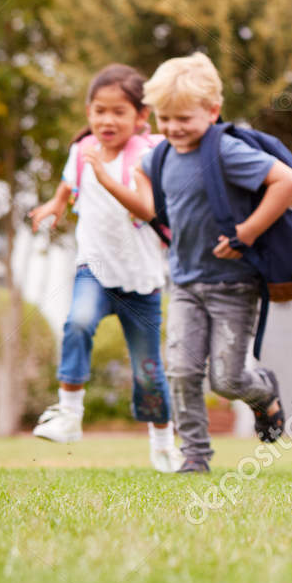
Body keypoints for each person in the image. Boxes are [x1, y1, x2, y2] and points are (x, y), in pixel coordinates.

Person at [90, 53, 292, 473]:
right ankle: (195, 456)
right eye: (165, 118)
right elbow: (146, 185)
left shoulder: (226, 151)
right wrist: (119, 185)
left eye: (183, 118)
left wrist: (246, 233)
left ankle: (264, 393)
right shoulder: (161, 157)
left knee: (228, 380)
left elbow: (287, 181)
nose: (173, 128)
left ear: (212, 111)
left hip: (234, 286)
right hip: (185, 284)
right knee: (182, 371)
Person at [27, 64, 176, 471]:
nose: (107, 120)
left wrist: (105, 177)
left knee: (148, 372)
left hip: (141, 280)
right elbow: (68, 183)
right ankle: (69, 414)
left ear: (141, 116)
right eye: (99, 110)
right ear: (88, 111)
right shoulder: (82, 151)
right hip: (93, 268)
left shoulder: (145, 154)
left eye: (119, 112)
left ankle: (163, 443)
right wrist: (56, 204)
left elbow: (145, 209)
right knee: (77, 322)